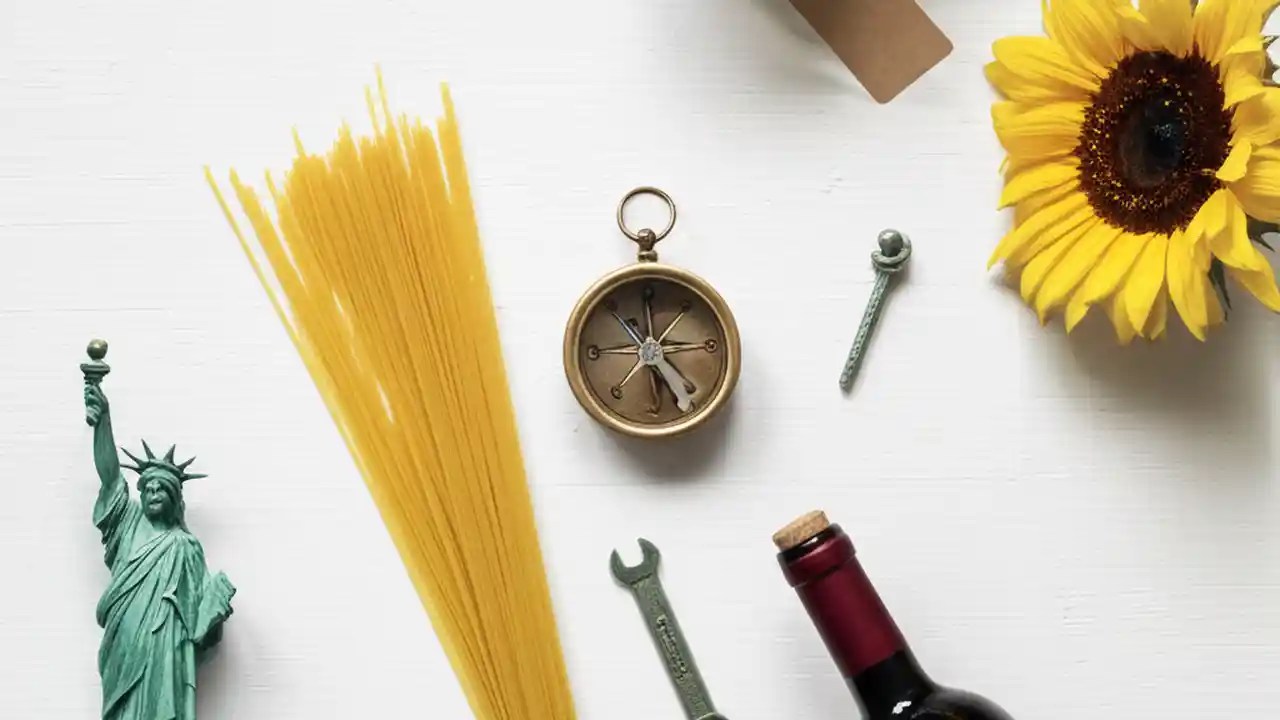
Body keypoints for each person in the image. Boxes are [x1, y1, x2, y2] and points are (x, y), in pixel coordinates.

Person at [84, 382, 235, 720]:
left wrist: (215, 611)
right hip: (125, 638)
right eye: (147, 487)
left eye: (160, 489)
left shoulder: (186, 547)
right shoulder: (127, 524)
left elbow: (201, 624)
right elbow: (110, 477)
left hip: (167, 646)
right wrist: (103, 421)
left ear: (173, 498)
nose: (152, 493)